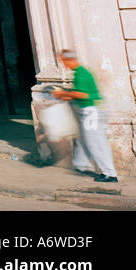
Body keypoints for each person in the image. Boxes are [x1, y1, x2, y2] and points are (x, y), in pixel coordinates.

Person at [53, 50, 118, 182]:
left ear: (68, 60)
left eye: (63, 61)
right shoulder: (80, 72)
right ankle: (81, 166)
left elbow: (82, 94)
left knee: (96, 142)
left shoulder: (81, 74)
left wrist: (62, 94)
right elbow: (80, 93)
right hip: (90, 110)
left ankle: (109, 174)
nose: (63, 64)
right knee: (84, 139)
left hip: (91, 111)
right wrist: (66, 94)